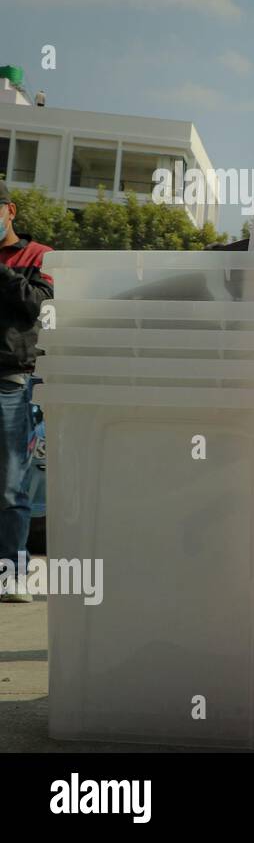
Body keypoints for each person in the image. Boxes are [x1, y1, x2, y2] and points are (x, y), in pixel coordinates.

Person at [0, 181, 53, 604]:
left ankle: (12, 574)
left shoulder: (40, 256)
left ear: (10, 210)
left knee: (11, 486)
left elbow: (41, 306)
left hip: (10, 383)